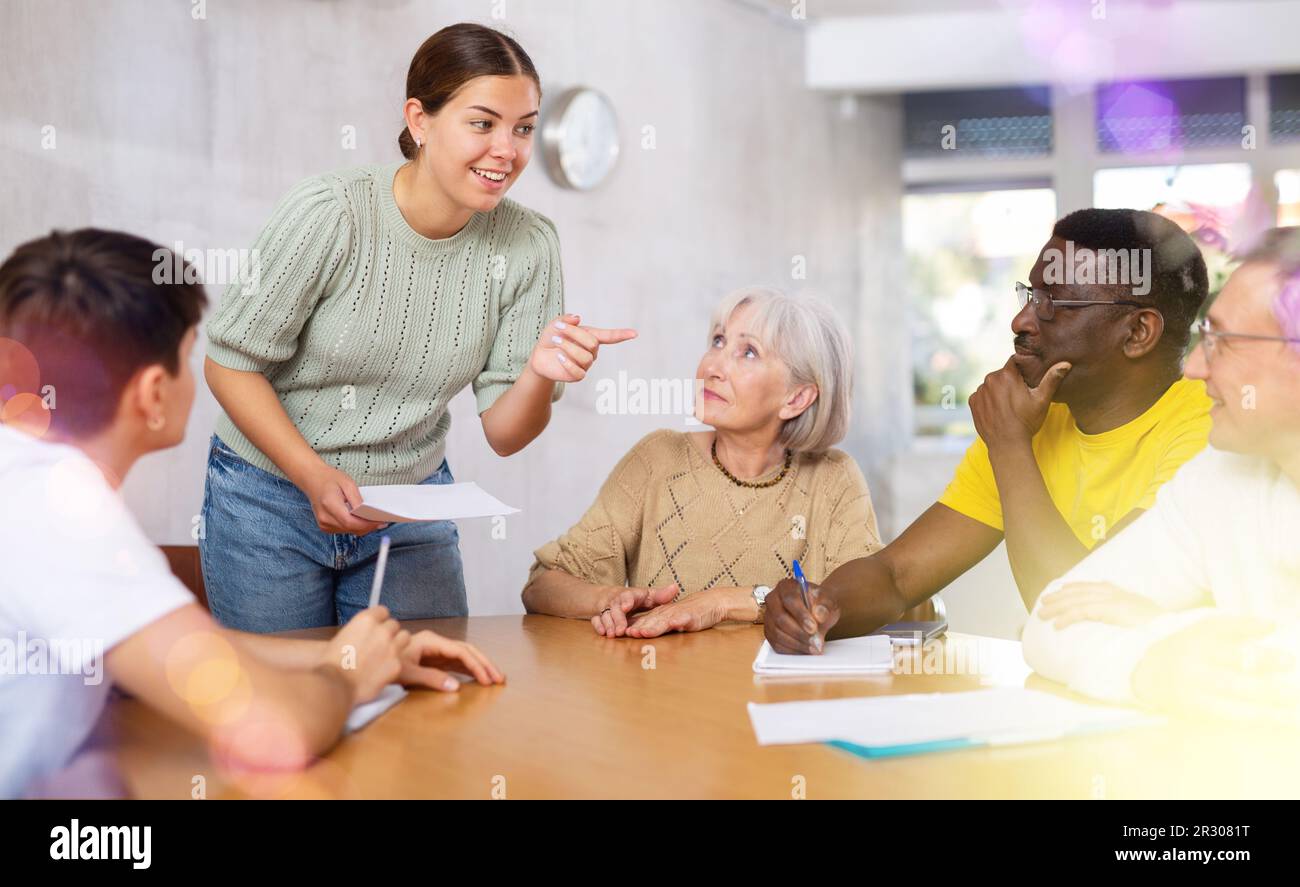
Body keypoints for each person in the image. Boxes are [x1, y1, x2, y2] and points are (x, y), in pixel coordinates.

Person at [0, 228, 503, 799]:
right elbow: (273, 732)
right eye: (190, 355)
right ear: (151, 393)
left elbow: (177, 645)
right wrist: (345, 675)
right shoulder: (59, 513)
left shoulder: (25, 480)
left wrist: (366, 653)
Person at [201, 22, 635, 632]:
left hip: (411, 502)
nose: (506, 150)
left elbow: (506, 435)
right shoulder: (332, 214)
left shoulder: (528, 244)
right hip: (270, 495)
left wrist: (538, 373)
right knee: (288, 700)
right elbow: (229, 363)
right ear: (420, 120)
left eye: (523, 128)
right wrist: (312, 474)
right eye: (482, 124)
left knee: (429, 699)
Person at [765, 209, 1213, 654]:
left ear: (1137, 332)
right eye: (1030, 296)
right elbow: (898, 576)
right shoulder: (1034, 418)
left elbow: (1076, 617)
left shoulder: (1209, 435)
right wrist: (821, 606)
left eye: (1054, 304)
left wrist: (1010, 442)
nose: (1022, 322)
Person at [1023, 228, 1300, 721]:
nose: (1194, 367)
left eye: (1225, 343)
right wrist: (1153, 667)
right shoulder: (1221, 477)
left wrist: (1162, 626)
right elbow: (1050, 619)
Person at [523, 287, 881, 639]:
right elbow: (542, 586)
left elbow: (866, 603)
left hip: (777, 697)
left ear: (797, 397)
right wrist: (608, 599)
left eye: (749, 353)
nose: (712, 366)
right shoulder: (657, 460)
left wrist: (723, 602)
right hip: (664, 693)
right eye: (719, 341)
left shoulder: (834, 479)